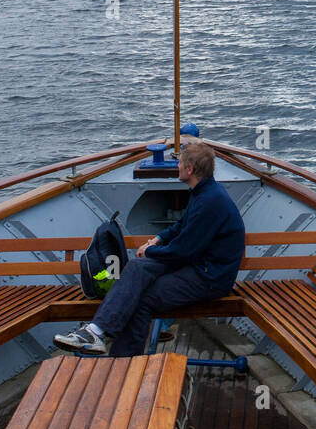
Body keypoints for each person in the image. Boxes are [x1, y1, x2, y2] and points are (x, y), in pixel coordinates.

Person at [54, 140, 245, 356]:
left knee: (142, 298)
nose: (177, 167)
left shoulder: (210, 201)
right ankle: (95, 332)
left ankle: (123, 361)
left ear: (190, 169)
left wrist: (150, 251)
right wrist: (158, 239)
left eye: (180, 163)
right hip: (197, 266)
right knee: (137, 267)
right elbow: (183, 224)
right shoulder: (204, 191)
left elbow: (182, 252)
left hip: (210, 278)